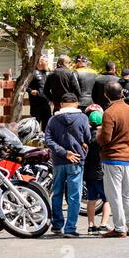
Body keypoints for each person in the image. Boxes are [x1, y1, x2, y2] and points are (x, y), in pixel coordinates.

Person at [43, 92, 90, 238]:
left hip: (58, 161)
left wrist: (64, 152)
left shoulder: (53, 120)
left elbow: (48, 140)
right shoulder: (82, 118)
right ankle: (70, 228)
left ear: (61, 104)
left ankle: (57, 225)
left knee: (57, 193)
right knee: (74, 195)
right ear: (76, 103)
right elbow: (88, 137)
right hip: (76, 160)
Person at [95, 81, 129, 238]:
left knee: (114, 194)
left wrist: (97, 136)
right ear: (121, 93)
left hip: (112, 157)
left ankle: (120, 227)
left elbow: (106, 138)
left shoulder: (109, 112)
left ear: (106, 95)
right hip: (127, 156)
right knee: (127, 193)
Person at [82, 106, 110, 235]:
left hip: (88, 172)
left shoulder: (85, 136)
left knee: (91, 199)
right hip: (101, 172)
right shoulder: (102, 136)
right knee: (106, 199)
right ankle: (103, 224)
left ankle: (91, 225)